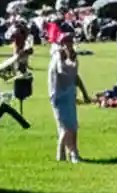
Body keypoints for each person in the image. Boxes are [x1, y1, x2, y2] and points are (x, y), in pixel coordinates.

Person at [49, 34, 82, 163]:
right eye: (66, 42)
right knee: (67, 125)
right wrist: (69, 59)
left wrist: (83, 92)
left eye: (70, 41)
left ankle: (68, 152)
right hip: (58, 95)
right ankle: (68, 152)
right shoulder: (57, 56)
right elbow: (62, 70)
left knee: (72, 125)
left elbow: (74, 75)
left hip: (69, 93)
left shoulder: (71, 55)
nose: (69, 44)